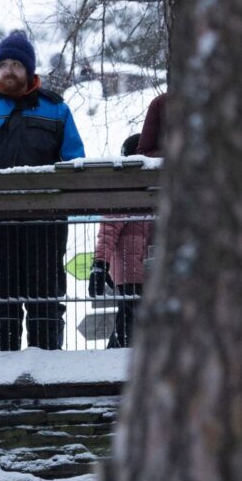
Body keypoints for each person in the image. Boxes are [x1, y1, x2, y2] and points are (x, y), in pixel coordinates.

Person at [0, 30, 87, 350]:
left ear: (29, 70)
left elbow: (75, 161)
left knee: (46, 298)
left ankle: (48, 373)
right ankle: (0, 373)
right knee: (1, 298)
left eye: (16, 64)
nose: (10, 70)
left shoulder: (56, 110)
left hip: (46, 224)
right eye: (4, 64)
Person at [95, 135, 153, 348]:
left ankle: (117, 357)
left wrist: (102, 264)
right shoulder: (130, 192)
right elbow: (108, 231)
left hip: (132, 271)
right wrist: (101, 264)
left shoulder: (126, 190)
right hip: (135, 271)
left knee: (130, 319)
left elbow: (107, 231)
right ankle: (118, 360)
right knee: (132, 320)